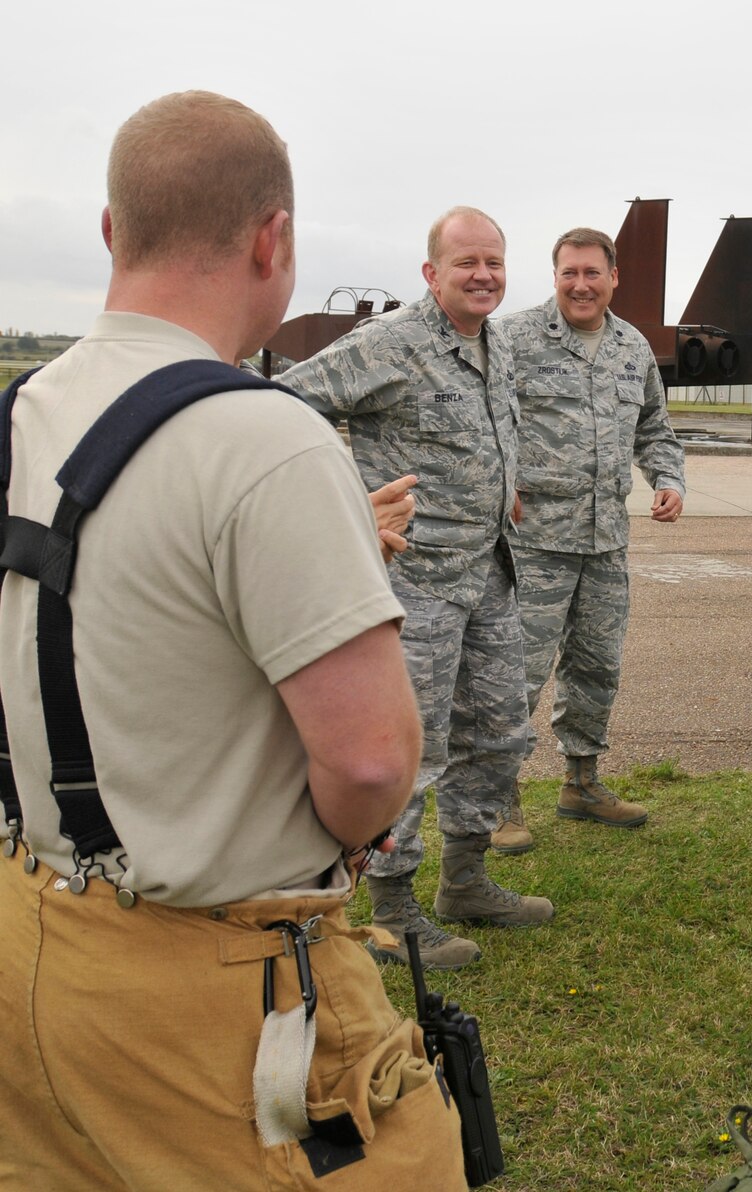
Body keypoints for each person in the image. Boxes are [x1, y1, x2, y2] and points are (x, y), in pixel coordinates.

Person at [0, 90, 464, 1187]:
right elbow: (368, 761)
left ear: (113, 232)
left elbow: (111, 611)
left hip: (35, 936)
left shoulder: (27, 409)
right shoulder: (268, 439)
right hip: (220, 980)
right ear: (275, 240)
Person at [283, 205, 550, 968]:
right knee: (410, 751)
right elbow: (278, 410)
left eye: (494, 262)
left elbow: (490, 433)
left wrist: (506, 487)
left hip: (491, 576)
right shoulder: (391, 343)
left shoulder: (496, 344)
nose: (483, 275)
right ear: (431, 273)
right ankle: (391, 910)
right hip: (416, 589)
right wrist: (347, 504)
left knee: (500, 733)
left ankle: (466, 881)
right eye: (466, 262)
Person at [492, 227, 686, 850]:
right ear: (554, 276)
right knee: (515, 673)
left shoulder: (631, 347)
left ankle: (581, 782)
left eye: (592, 274)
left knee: (597, 668)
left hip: (606, 543)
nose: (581, 285)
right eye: (569, 273)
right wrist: (500, 482)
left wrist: (669, 478)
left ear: (613, 277)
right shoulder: (513, 339)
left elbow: (655, 426)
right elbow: (483, 417)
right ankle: (497, 799)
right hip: (533, 543)